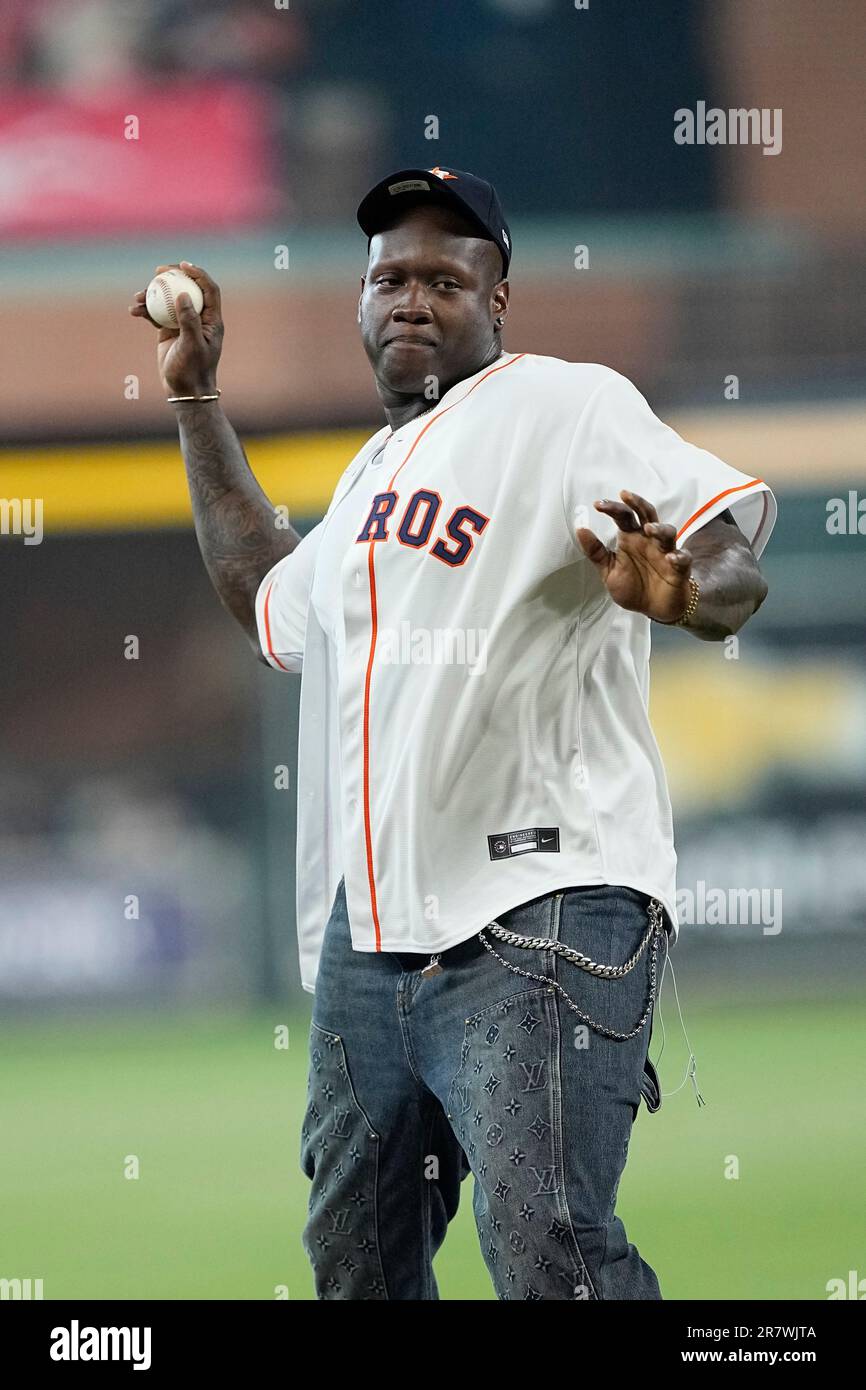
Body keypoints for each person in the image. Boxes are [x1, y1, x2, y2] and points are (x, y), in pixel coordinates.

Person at [129, 166, 776, 1300]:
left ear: (498, 299)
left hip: (541, 909)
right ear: (360, 301)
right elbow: (266, 598)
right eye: (388, 278)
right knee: (355, 1265)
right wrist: (195, 401)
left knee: (549, 1258)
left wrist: (683, 592)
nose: (410, 299)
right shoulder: (371, 475)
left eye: (443, 277)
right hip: (372, 946)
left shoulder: (563, 405)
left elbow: (723, 546)